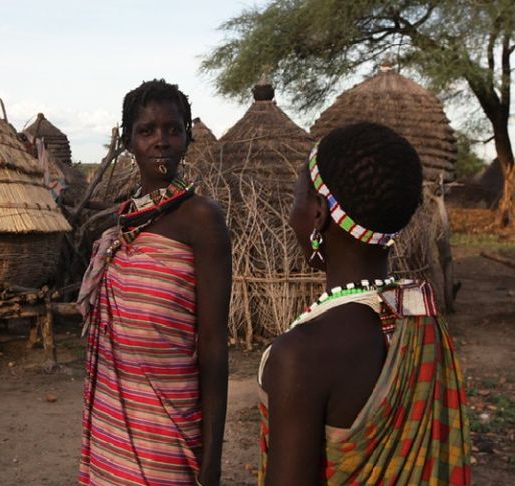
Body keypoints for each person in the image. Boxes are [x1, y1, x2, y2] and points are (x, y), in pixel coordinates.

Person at [258, 122, 472, 485]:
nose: (290, 212)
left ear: (318, 214)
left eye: (295, 199)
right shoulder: (421, 316)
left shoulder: (301, 354)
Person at [77, 79, 231, 485]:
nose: (161, 141)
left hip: (171, 426)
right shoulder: (128, 219)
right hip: (115, 418)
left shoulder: (203, 220)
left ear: (187, 137)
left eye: (173, 129)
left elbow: (214, 343)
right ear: (129, 141)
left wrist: (212, 457)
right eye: (147, 131)